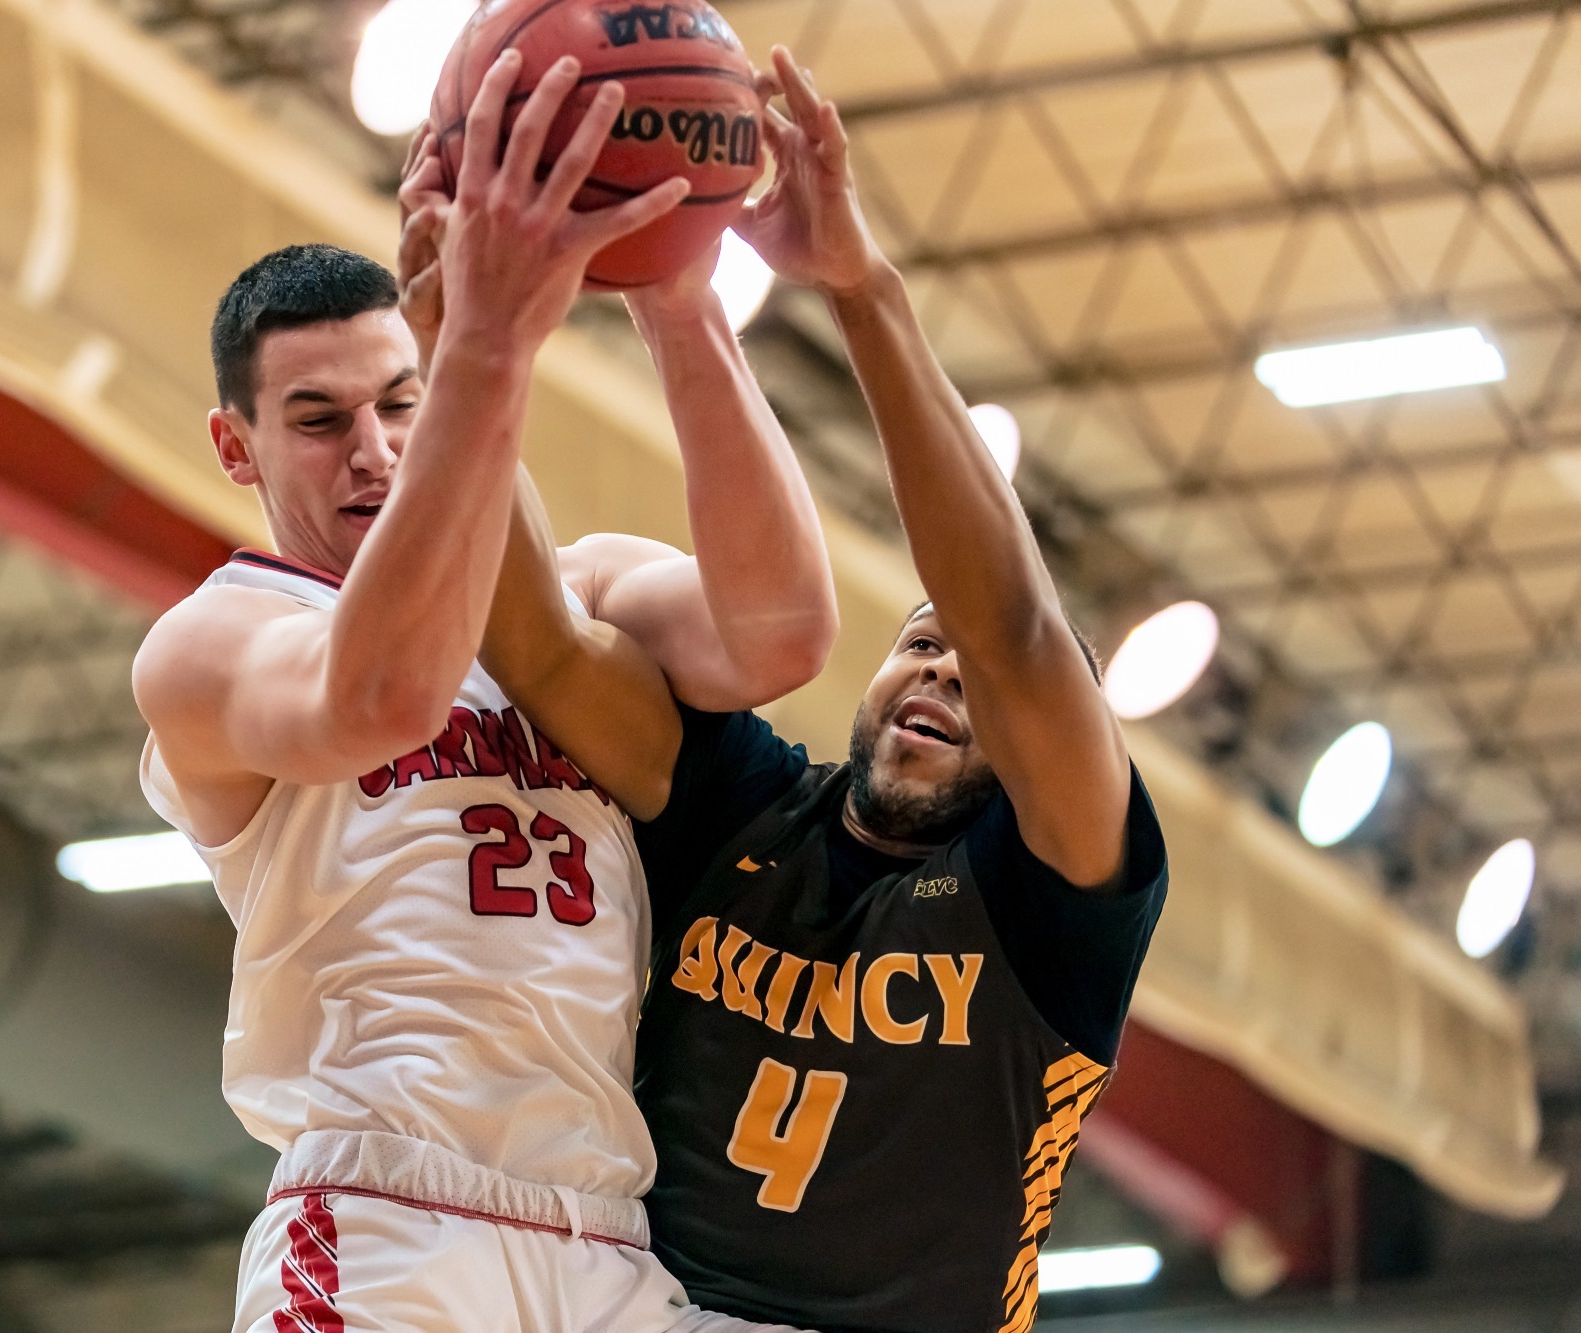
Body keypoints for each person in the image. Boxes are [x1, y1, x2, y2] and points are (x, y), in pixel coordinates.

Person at [131, 51, 834, 1333]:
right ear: (234, 445)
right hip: (389, 1219)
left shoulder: (576, 595)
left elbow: (781, 633)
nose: (377, 449)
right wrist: (479, 353)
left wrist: (679, 306)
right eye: (317, 417)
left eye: (401, 399)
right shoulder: (217, 640)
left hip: (607, 1233)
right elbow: (384, 693)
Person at [471, 48, 1169, 1333]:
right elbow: (540, 649)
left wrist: (859, 288)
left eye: (968, 669)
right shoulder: (743, 805)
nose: (942, 669)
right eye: (917, 645)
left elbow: (1010, 628)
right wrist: (469, 337)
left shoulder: (1052, 897)